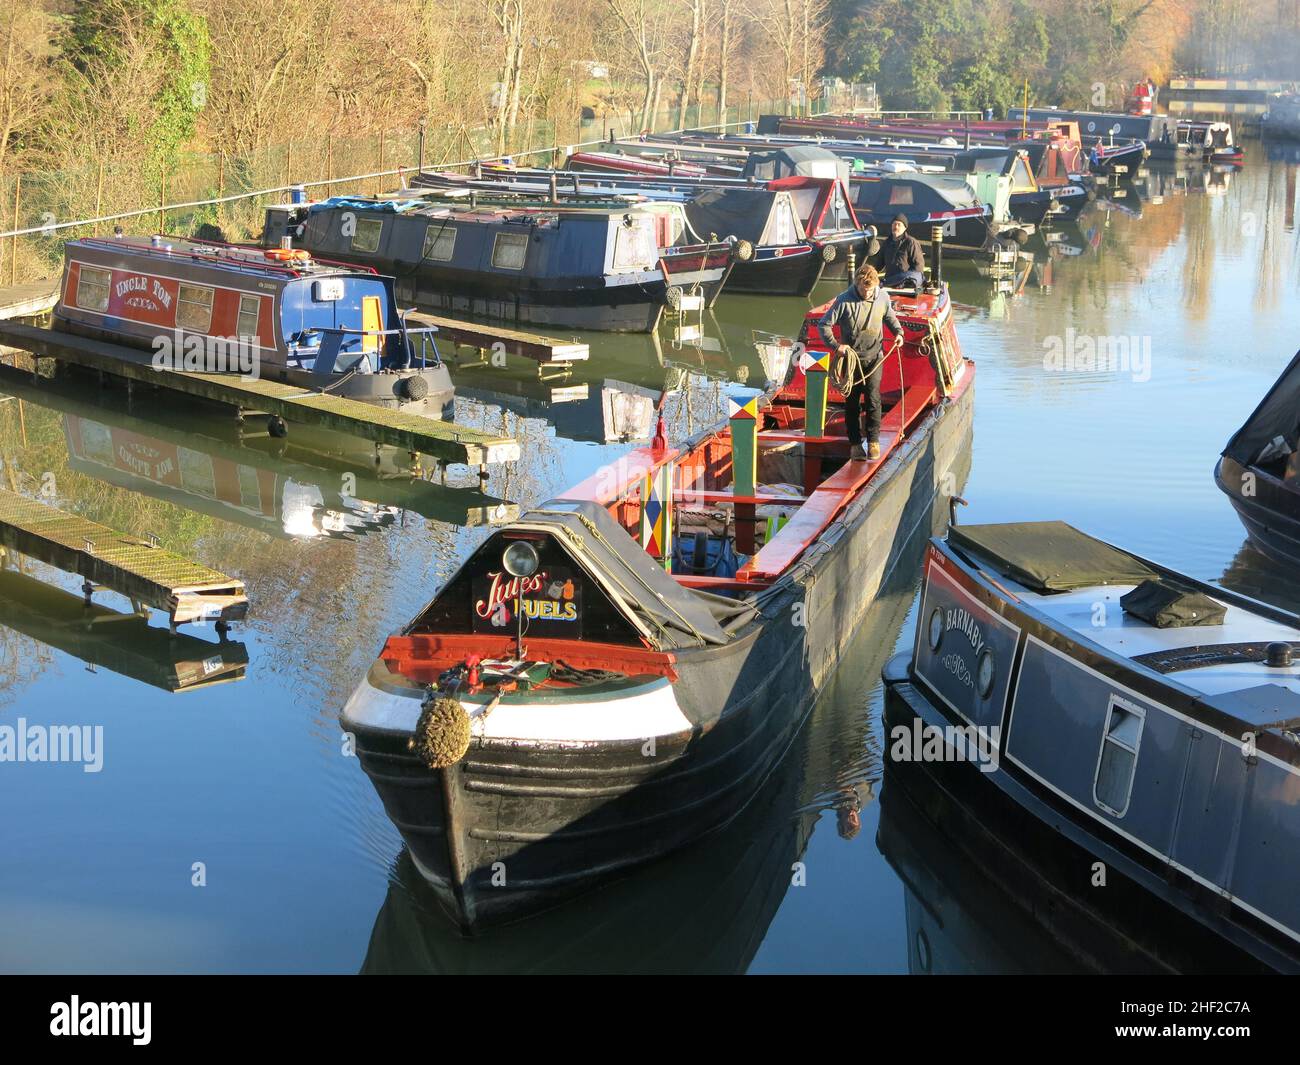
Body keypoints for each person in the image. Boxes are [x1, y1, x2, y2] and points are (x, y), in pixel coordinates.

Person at [817, 263, 903, 461]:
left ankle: (873, 441)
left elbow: (889, 316)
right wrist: (836, 346)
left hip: (875, 357)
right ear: (857, 284)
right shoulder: (844, 300)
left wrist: (898, 332)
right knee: (853, 403)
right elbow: (824, 325)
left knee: (873, 399)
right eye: (863, 289)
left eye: (870, 289)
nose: (867, 293)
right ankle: (855, 445)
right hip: (851, 360)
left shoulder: (882, 296)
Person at [876, 214, 925, 290]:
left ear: (905, 228)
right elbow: (878, 265)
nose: (896, 227)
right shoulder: (886, 243)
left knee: (916, 275)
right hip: (889, 282)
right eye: (894, 224)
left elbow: (919, 267)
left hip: (907, 283)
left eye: (899, 225)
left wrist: (908, 283)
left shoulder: (911, 242)